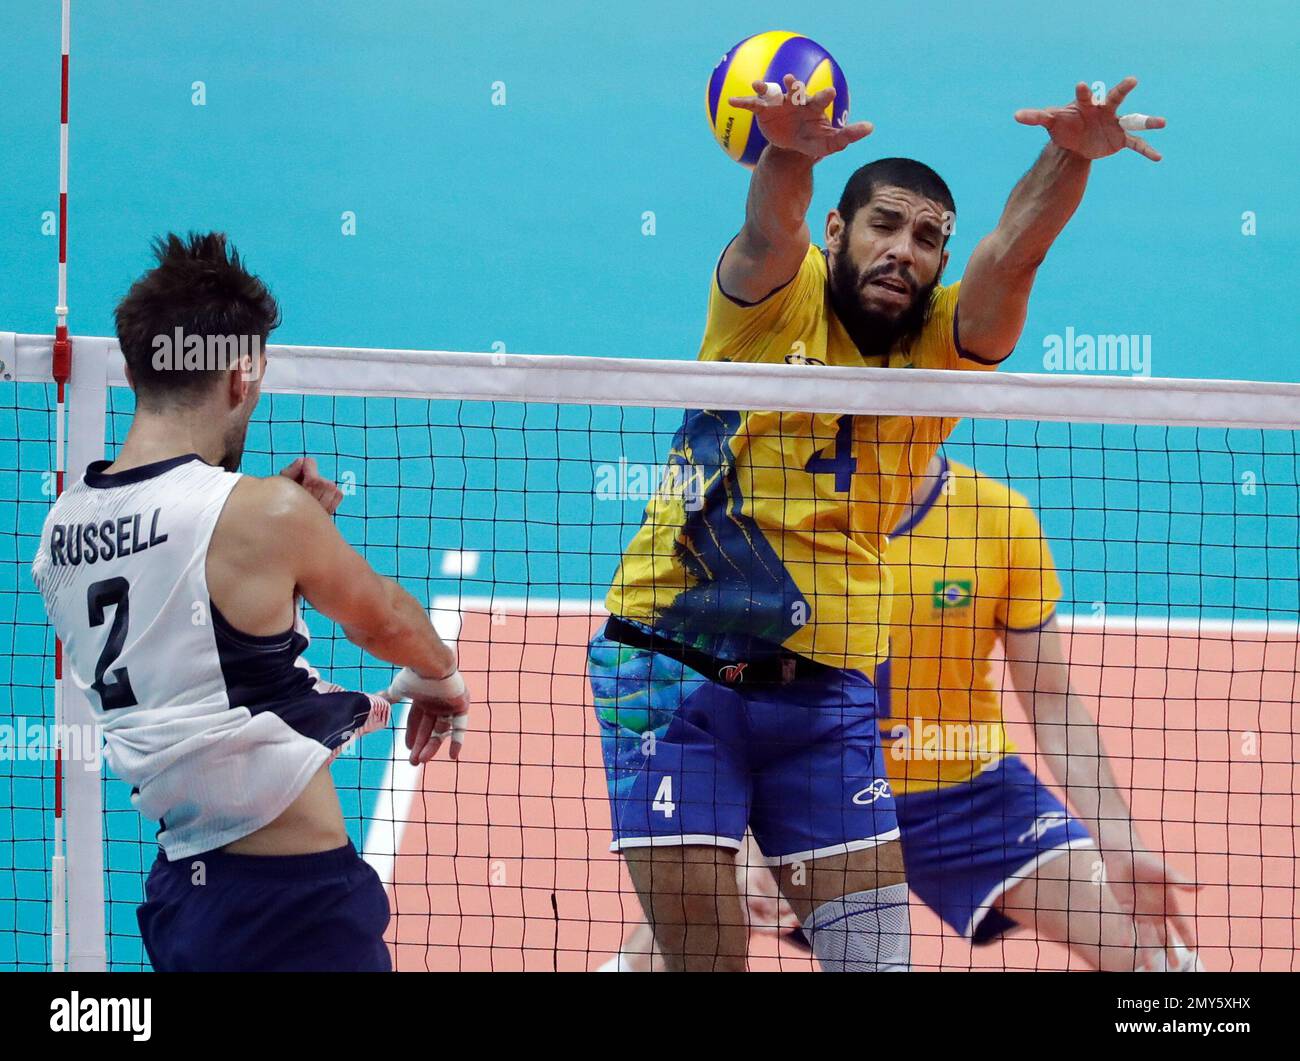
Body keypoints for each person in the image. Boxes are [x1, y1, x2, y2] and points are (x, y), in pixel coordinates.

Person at [588, 74, 1166, 971]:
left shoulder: (945, 343)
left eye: (929, 238)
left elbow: (1013, 254)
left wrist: (1068, 156)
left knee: (873, 964)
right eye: (885, 225)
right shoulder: (776, 302)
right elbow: (769, 228)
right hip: (671, 673)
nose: (905, 249)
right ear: (837, 233)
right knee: (704, 959)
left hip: (824, 692)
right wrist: (787, 152)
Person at [31, 232, 470, 972]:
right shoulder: (262, 518)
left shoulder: (60, 534)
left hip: (184, 901)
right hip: (294, 908)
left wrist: (280, 531)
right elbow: (387, 620)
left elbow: (190, 622)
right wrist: (443, 678)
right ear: (239, 379)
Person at [601, 456, 1200, 972]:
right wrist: (744, 841)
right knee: (679, 942)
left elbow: (1051, 698)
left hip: (970, 798)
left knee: (1159, 957)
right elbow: (742, 687)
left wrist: (1119, 838)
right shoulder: (788, 518)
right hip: (815, 789)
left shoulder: (997, 516)